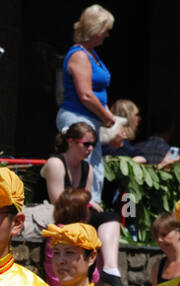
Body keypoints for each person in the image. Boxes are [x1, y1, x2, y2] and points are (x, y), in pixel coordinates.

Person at [40, 123, 123, 286]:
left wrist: (90, 204)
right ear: (71, 141)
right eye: (86, 144)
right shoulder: (56, 163)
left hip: (77, 216)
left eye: (93, 144)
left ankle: (110, 268)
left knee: (108, 222)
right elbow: (58, 201)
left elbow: (85, 199)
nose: (90, 148)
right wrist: (88, 203)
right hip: (57, 217)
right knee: (106, 219)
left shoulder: (88, 168)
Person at [57, 5, 117, 207]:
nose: (108, 35)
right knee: (84, 165)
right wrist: (107, 116)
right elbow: (85, 94)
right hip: (78, 117)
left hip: (90, 119)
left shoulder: (90, 54)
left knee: (94, 166)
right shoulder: (79, 55)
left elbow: (96, 96)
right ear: (95, 29)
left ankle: (92, 205)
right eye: (106, 30)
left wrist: (109, 118)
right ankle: (79, 208)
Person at [149, 212, 180, 285]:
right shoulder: (157, 268)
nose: (159, 240)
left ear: (179, 232)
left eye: (164, 234)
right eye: (156, 236)